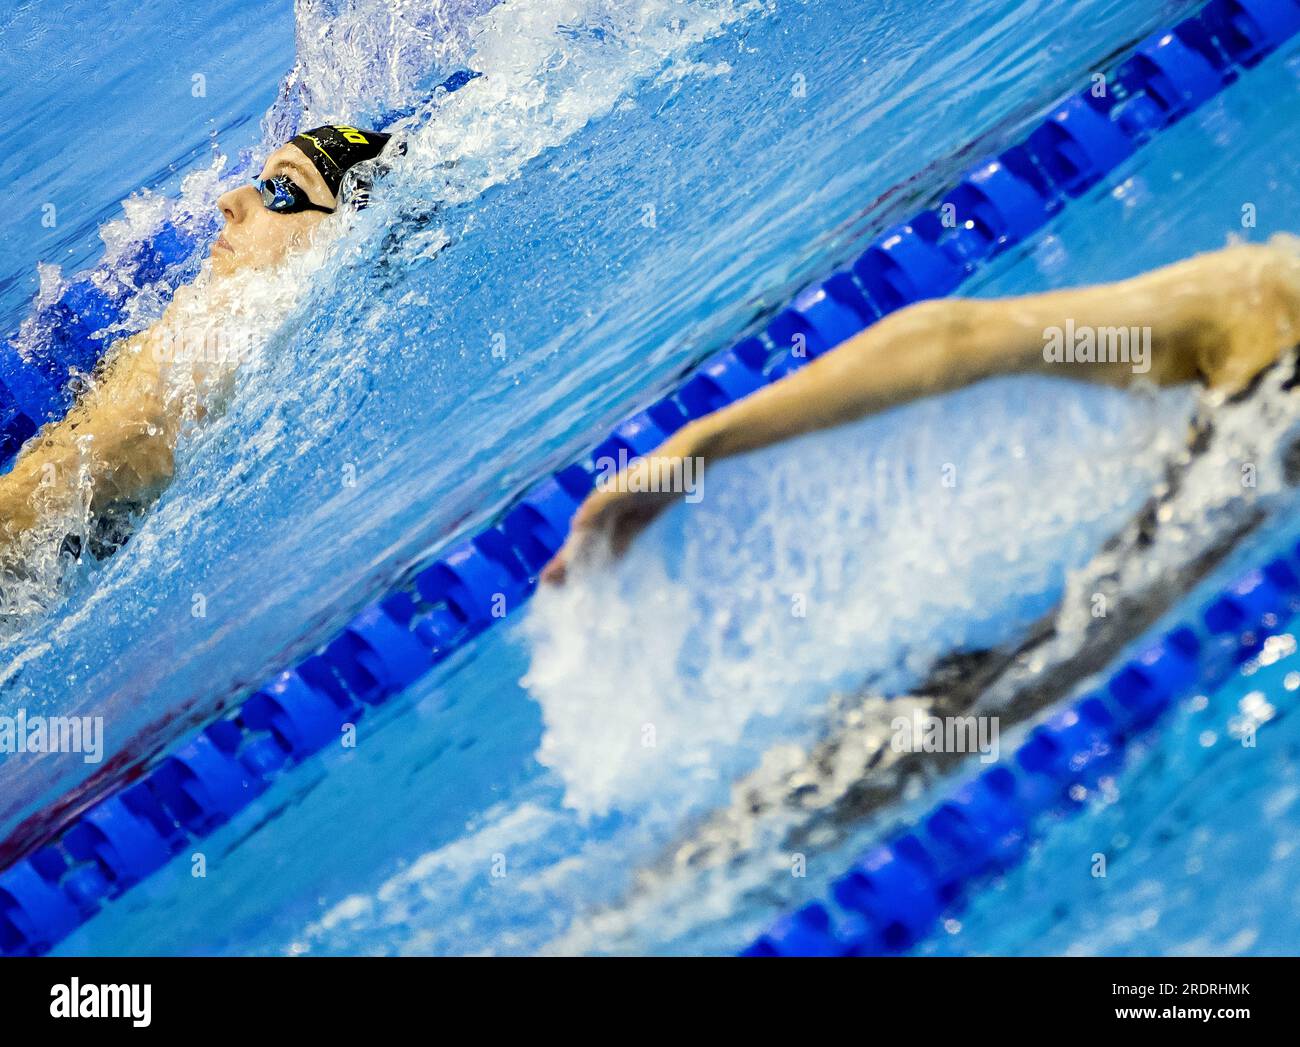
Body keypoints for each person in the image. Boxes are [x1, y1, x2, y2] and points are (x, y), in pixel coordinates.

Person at [541, 239, 1300, 585]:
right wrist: (698, 447)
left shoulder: (1269, 297)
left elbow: (954, 337)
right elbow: (953, 338)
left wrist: (697, 451)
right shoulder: (1267, 299)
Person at [0, 125, 391, 558]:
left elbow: (38, 497)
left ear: (345, 231)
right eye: (260, 179)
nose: (230, 201)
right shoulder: (238, 328)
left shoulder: (211, 354)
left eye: (282, 187)